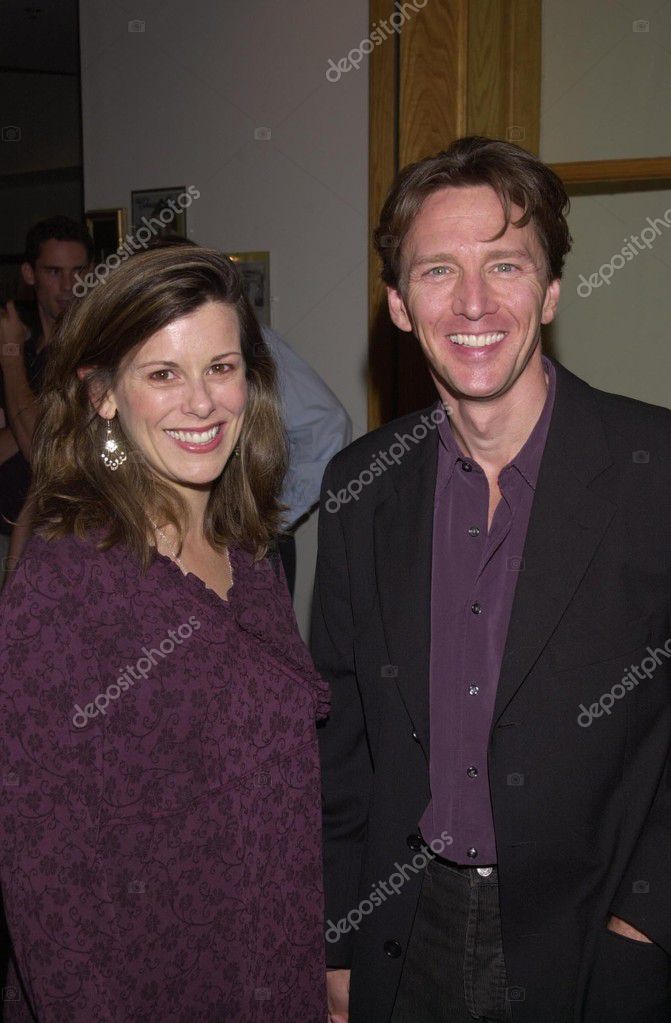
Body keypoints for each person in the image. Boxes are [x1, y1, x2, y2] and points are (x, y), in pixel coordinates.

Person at [312, 135, 671, 1023]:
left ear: (549, 291)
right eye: (437, 271)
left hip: (595, 937)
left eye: (504, 265)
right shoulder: (359, 486)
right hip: (405, 933)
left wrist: (645, 918)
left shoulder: (653, 466)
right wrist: (338, 938)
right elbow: (343, 740)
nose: (473, 302)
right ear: (398, 304)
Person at [0, 246, 329, 1021]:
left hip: (271, 974)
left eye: (221, 367)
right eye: (162, 374)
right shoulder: (65, 582)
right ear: (104, 395)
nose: (202, 402)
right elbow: (44, 879)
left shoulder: (249, 554)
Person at [0, 215, 93, 580]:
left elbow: (43, 452)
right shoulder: (24, 344)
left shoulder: (93, 352)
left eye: (79, 271)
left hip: (55, 542)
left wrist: (9, 357)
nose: (69, 285)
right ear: (29, 274)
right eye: (54, 272)